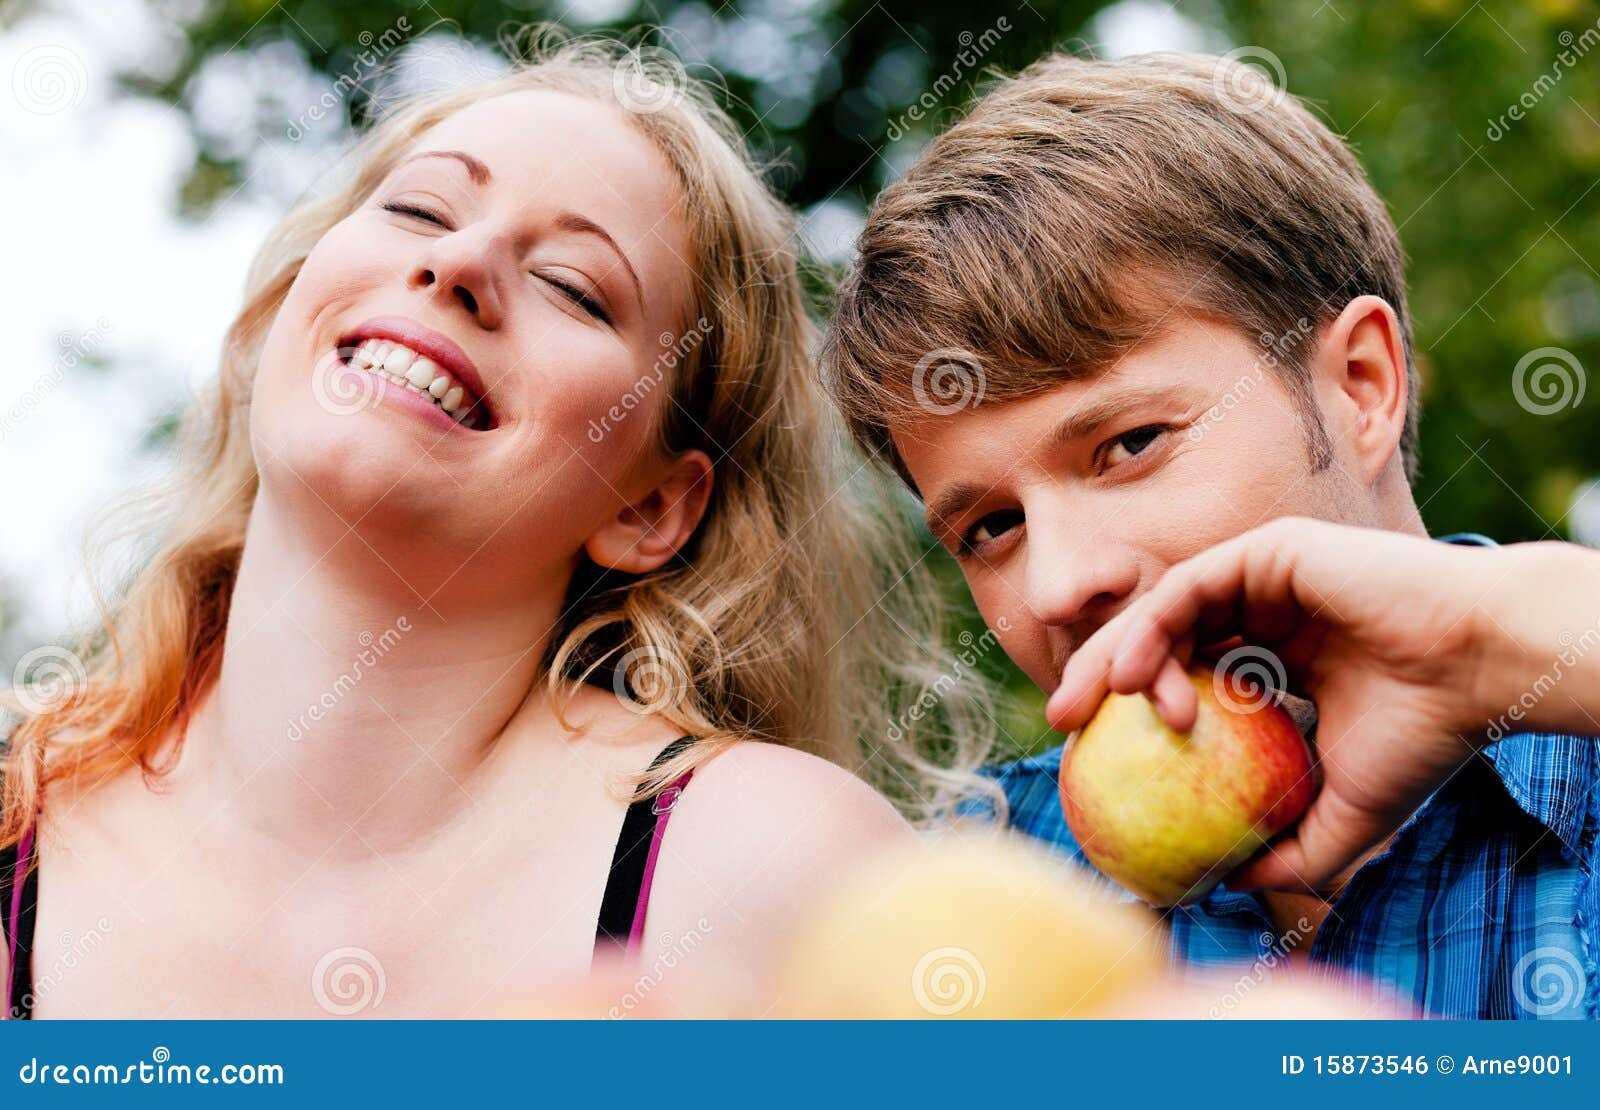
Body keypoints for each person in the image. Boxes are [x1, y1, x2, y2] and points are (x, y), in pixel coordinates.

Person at [0, 33, 990, 1019]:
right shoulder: (14, 831)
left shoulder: (772, 871)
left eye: (573, 285)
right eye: (419, 208)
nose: (459, 260)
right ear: (272, 329)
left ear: (651, 507)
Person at [825, 50, 1599, 1019]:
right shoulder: (964, 900)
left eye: (1130, 443)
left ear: (1360, 388)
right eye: (990, 527)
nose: (1059, 586)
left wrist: (1498, 641)